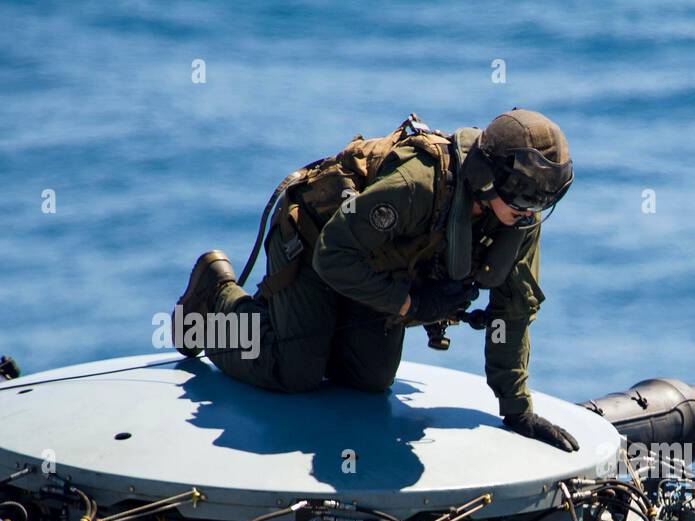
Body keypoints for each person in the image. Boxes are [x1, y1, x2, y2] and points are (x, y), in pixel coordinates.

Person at [173, 109, 578, 451]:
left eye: (543, 203)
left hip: (376, 264)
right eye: (526, 200)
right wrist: (409, 305)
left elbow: (514, 308)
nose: (531, 212)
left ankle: (304, 327)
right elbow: (333, 253)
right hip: (316, 243)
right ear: (487, 178)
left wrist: (517, 408)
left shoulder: (517, 219)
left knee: (368, 379)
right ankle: (214, 300)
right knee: (293, 371)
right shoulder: (417, 186)